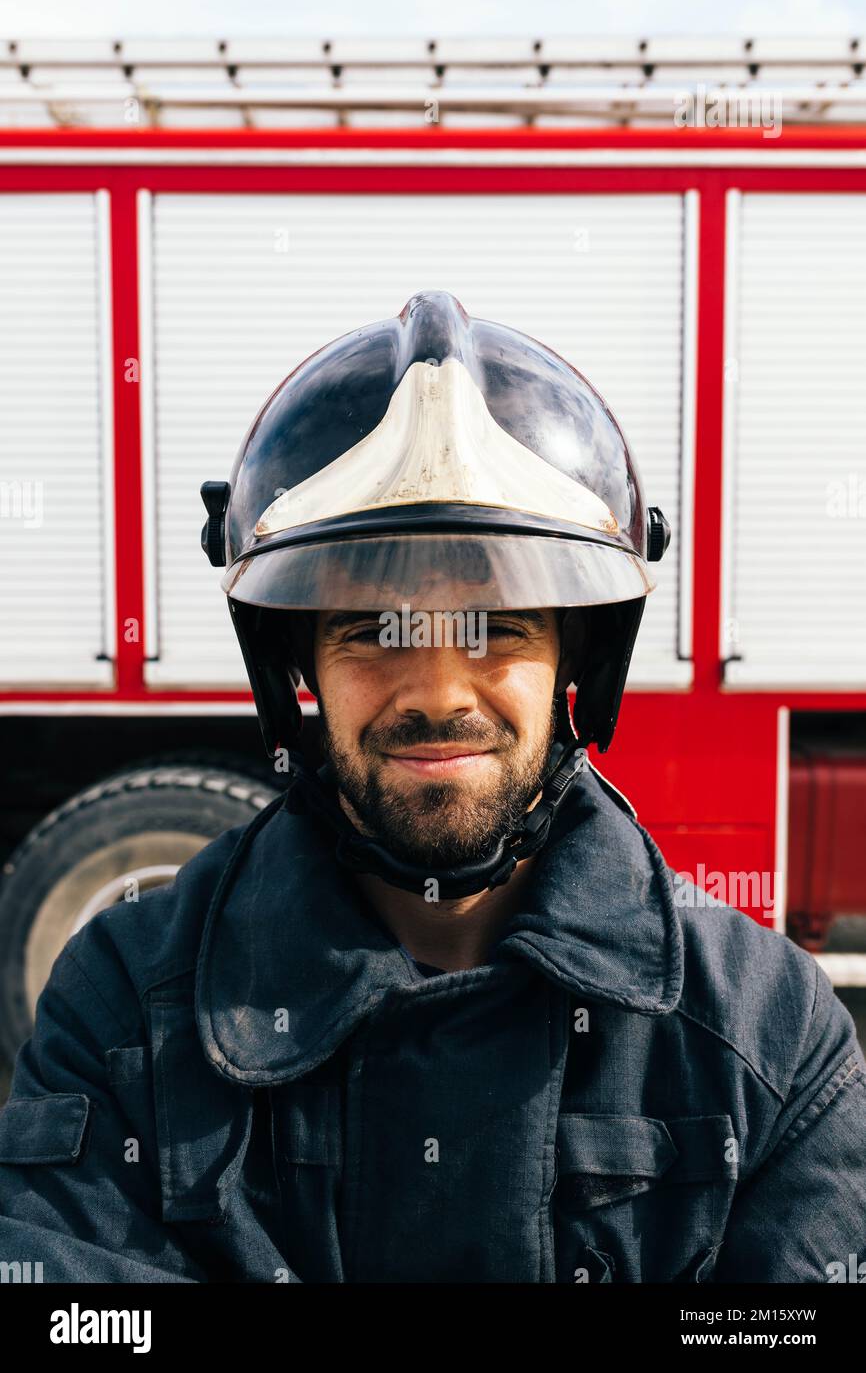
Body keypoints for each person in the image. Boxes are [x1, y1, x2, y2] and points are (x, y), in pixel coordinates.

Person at [0, 290, 863, 1284]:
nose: (439, 691)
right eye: (372, 625)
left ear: (574, 662)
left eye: (494, 624)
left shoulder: (768, 1037)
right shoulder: (120, 1011)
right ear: (298, 669)